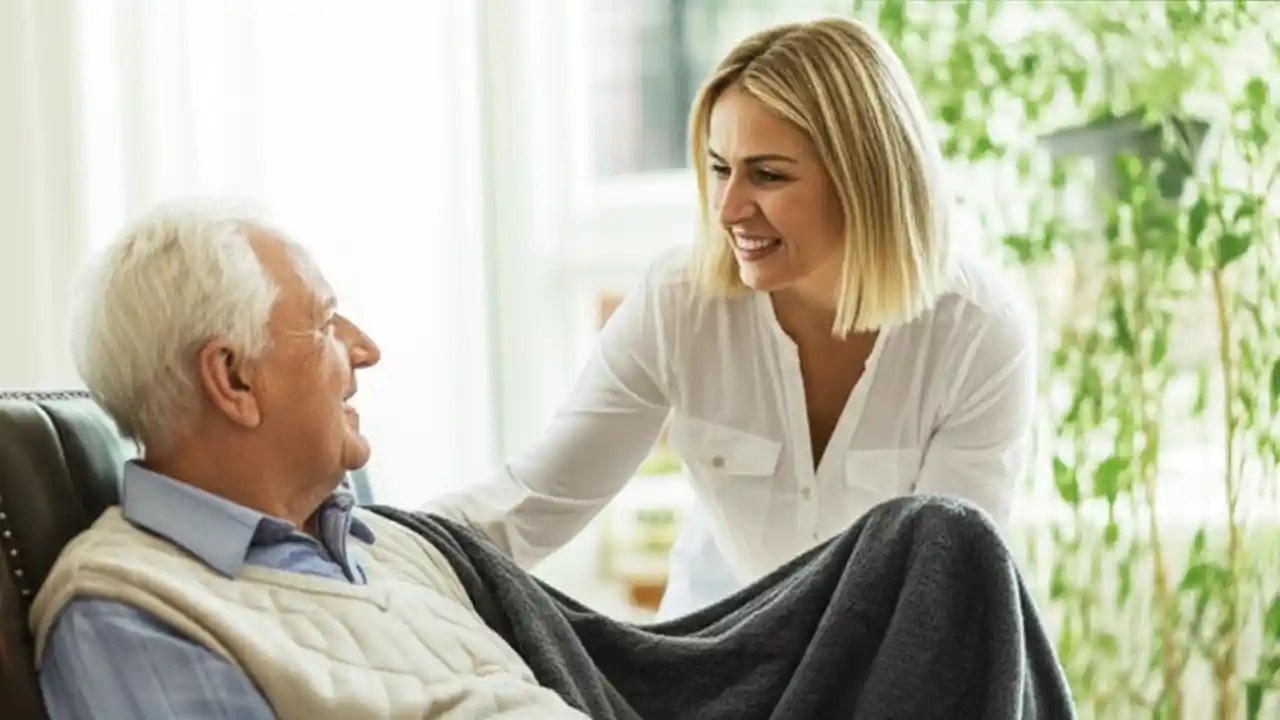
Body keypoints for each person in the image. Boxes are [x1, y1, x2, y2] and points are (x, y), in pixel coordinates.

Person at [427, 16, 1036, 618]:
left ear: (863, 179)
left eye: (767, 175)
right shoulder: (679, 305)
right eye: (720, 169)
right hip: (715, 667)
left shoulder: (979, 332)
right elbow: (531, 506)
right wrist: (371, 551)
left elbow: (942, 597)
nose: (728, 207)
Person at [34, 201, 586, 718]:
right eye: (324, 325)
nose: (366, 350)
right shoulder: (130, 613)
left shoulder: (390, 547)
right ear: (233, 379)